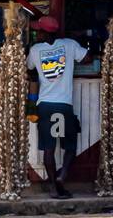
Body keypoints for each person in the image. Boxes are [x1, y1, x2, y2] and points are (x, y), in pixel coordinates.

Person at [26, 15, 89, 199]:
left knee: (49, 148)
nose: (36, 33)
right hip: (63, 106)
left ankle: (55, 187)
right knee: (70, 145)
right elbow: (87, 58)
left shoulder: (36, 50)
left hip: (45, 106)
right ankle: (63, 175)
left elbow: (28, 67)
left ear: (45, 33)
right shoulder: (69, 45)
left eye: (39, 30)